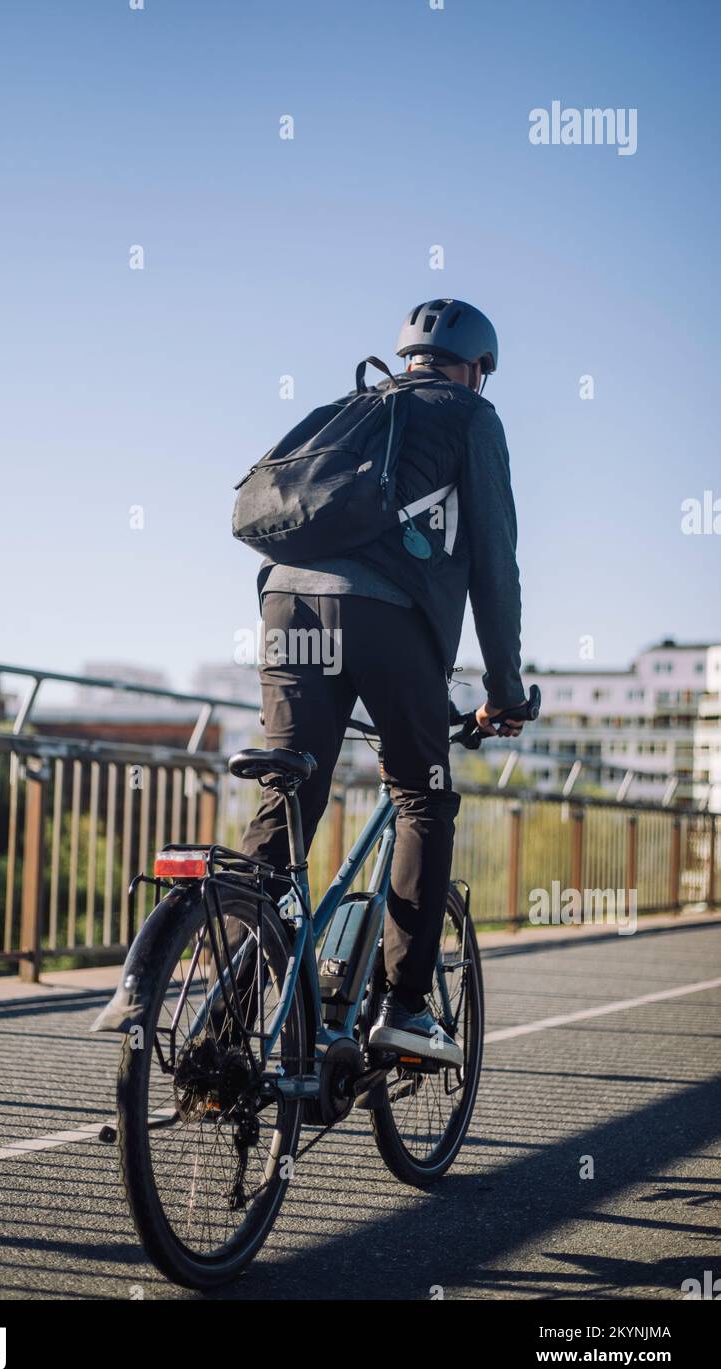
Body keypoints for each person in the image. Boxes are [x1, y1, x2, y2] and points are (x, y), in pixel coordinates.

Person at [240, 298, 527, 1062]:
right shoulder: (470, 416)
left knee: (290, 785)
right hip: (386, 617)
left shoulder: (350, 410)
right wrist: (506, 691)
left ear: (405, 357)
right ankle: (404, 1008)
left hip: (286, 603)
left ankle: (229, 1004)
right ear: (477, 369)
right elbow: (494, 567)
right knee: (421, 798)